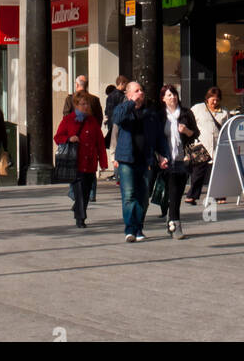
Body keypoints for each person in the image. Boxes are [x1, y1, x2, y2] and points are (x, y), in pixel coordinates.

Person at [111, 81, 169, 242]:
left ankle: (139, 227)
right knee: (129, 196)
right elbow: (117, 117)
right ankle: (131, 230)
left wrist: (163, 155)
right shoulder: (124, 111)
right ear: (128, 94)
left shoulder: (151, 114)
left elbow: (159, 137)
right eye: (136, 91)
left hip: (145, 160)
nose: (140, 93)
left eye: (141, 90)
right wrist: (131, 103)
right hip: (126, 160)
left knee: (143, 197)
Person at [54, 89, 108, 228]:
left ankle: (79, 208)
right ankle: (80, 217)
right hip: (75, 162)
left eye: (87, 104)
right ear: (76, 105)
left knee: (86, 190)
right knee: (79, 189)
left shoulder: (92, 122)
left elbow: (100, 143)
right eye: (83, 104)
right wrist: (69, 138)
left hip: (90, 162)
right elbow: (57, 137)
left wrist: (103, 162)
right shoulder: (68, 120)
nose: (85, 107)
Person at [156, 84, 198, 238]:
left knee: (177, 193)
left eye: (174, 94)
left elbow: (195, 133)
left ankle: (171, 220)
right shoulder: (160, 116)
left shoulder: (186, 113)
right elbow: (156, 138)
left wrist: (186, 131)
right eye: (168, 95)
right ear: (163, 99)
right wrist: (159, 155)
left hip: (183, 159)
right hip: (167, 160)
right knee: (173, 193)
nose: (172, 97)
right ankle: (176, 224)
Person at [185, 86, 227, 205]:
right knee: (198, 172)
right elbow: (188, 120)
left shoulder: (224, 112)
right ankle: (192, 196)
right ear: (207, 98)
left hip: (217, 145)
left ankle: (219, 195)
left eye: (217, 99)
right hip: (201, 145)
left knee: (218, 171)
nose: (214, 102)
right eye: (212, 99)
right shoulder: (198, 108)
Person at [104, 76, 128, 178]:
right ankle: (119, 173)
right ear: (121, 83)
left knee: (115, 149)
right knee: (119, 149)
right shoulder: (121, 96)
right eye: (125, 84)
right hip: (119, 125)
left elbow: (108, 111)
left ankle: (117, 173)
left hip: (112, 124)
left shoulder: (111, 96)